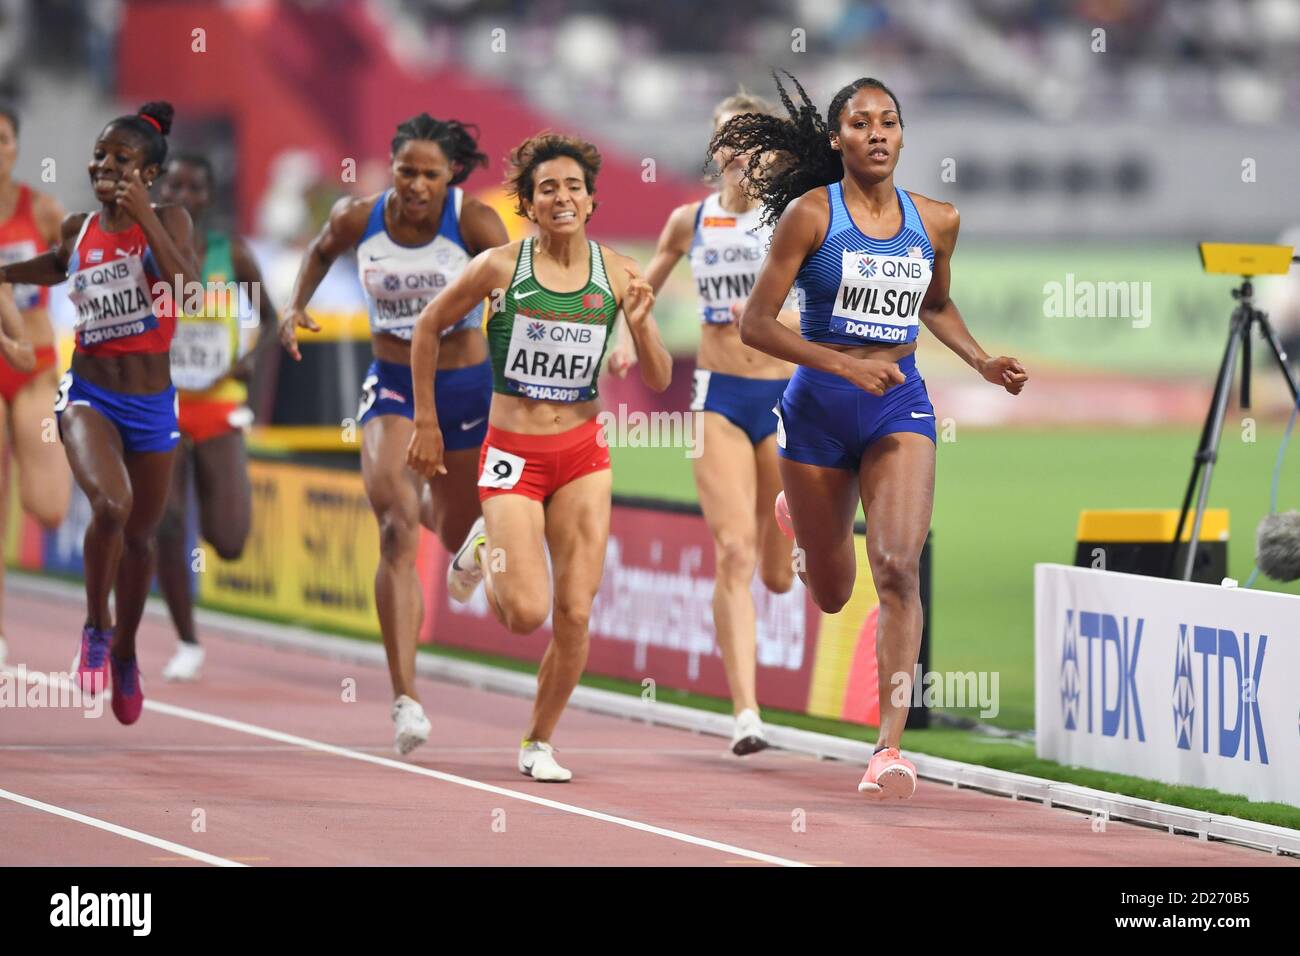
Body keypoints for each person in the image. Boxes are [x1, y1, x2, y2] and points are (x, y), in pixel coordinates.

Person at [715, 73, 1028, 797]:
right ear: (837, 138)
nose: (878, 134)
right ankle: (800, 522)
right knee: (830, 591)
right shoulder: (808, 217)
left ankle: (888, 749)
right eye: (861, 123)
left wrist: (981, 360)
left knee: (896, 565)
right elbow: (754, 324)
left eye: (889, 121)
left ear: (904, 135)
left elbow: (936, 302)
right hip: (819, 411)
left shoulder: (938, 220)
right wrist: (840, 367)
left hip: (898, 406)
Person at [406, 132, 672, 782]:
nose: (562, 198)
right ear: (527, 200)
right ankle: (477, 549)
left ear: (590, 199)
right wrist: (426, 422)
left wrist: (639, 325)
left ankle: (538, 741)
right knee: (525, 614)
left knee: (576, 613)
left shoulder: (619, 272)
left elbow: (661, 379)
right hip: (512, 458)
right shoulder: (500, 267)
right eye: (547, 188)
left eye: (573, 187)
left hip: (582, 453)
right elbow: (426, 327)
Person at [279, 114, 508, 755]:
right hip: (395, 384)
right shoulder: (360, 218)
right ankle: (406, 698)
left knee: (455, 526)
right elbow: (322, 248)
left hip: (466, 387)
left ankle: (468, 549)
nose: (414, 184)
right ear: (391, 167)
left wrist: (500, 313)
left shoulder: (474, 223)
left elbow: (512, 281)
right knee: (394, 525)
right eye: (405, 170)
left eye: (430, 174)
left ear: (450, 176)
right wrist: (296, 306)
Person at [0, 101, 199, 723]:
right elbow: (58, 269)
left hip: (153, 405)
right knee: (111, 506)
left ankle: (128, 652)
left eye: (122, 159)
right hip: (89, 393)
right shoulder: (78, 228)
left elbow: (188, 291)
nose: (104, 166)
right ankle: (95, 627)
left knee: (140, 536)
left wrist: (146, 218)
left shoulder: (171, 221)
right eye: (100, 155)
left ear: (149, 174)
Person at [619, 90, 799, 755]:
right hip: (717, 398)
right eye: (726, 137)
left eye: (749, 138)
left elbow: (822, 311)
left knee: (778, 575)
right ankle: (747, 714)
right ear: (714, 148)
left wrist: (779, 323)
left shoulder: (792, 222)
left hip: (784, 399)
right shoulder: (688, 221)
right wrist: (624, 335)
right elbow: (643, 292)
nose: (736, 150)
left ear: (769, 152)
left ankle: (791, 534)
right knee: (731, 552)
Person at [153, 152, 280, 681]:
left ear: (209, 196)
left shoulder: (233, 256)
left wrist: (250, 359)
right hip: (159, 407)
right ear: (160, 188)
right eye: (174, 184)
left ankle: (212, 502)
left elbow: (270, 320)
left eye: (195, 187)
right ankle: (186, 640)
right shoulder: (145, 252)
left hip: (219, 406)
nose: (184, 195)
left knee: (228, 541)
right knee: (167, 522)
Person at [0, 103, 72, 666]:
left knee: (48, 508)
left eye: (1, 139)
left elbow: (85, 264)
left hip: (35, 368)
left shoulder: (43, 210)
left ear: (15, 147)